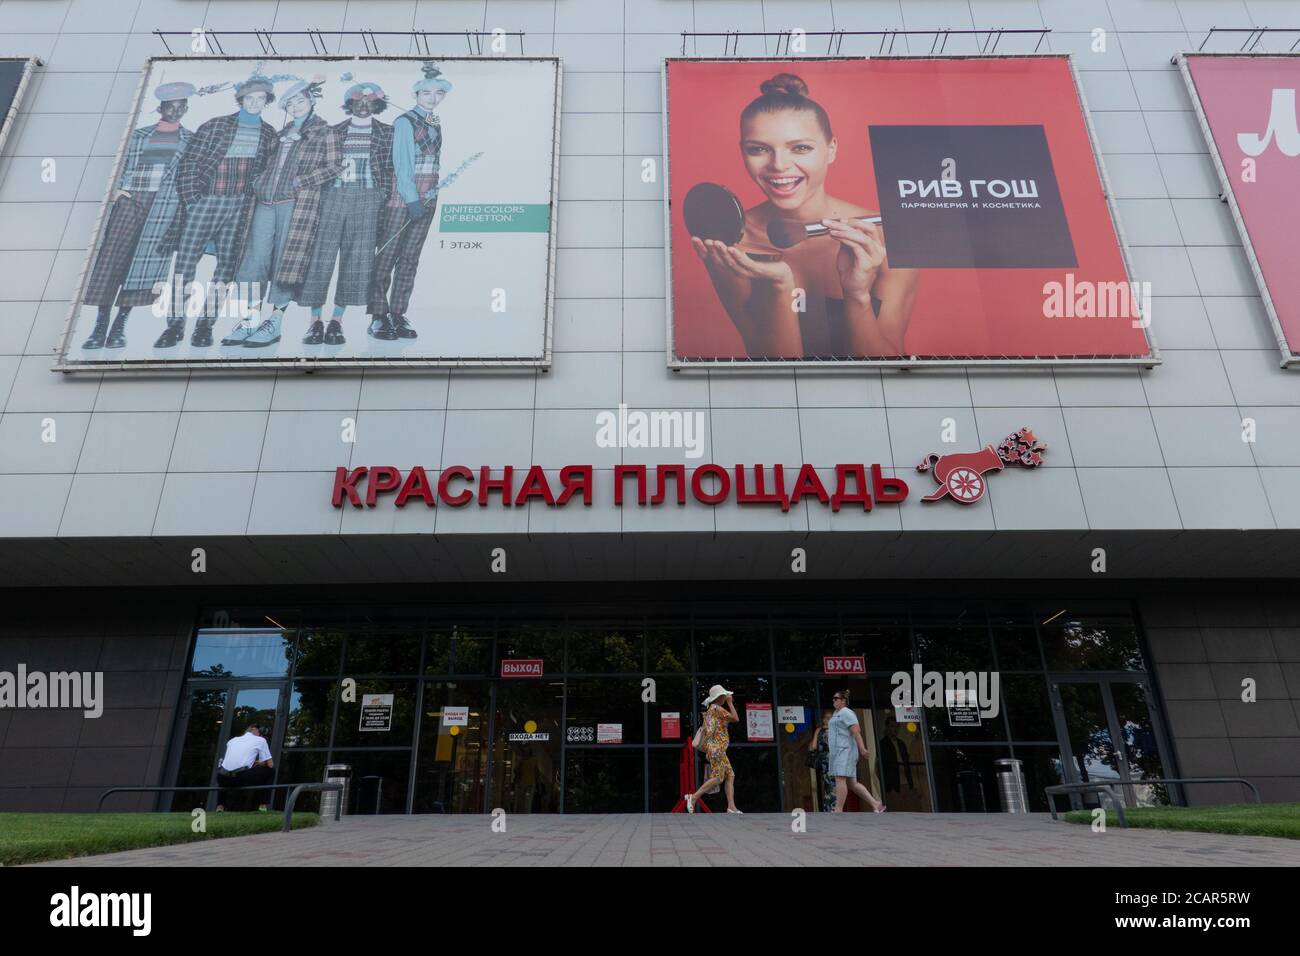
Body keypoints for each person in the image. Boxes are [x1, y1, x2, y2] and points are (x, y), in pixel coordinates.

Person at [692, 73, 918, 359]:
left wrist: (857, 295)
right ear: (743, 152)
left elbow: (887, 365)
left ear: (831, 149)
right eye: (758, 149)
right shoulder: (731, 242)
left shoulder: (891, 237)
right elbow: (771, 366)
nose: (780, 165)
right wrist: (780, 284)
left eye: (801, 148)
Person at [156, 73, 277, 348]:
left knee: (226, 269)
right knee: (185, 265)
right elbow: (189, 164)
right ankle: (174, 326)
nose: (255, 102)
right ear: (241, 99)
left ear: (266, 101)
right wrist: (192, 200)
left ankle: (205, 325)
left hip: (240, 206)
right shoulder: (215, 125)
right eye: (250, 98)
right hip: (206, 201)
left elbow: (266, 173)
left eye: (261, 98)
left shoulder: (269, 133)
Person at [223, 76, 343, 348]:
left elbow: (335, 166)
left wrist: (300, 182)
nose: (296, 106)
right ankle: (250, 318)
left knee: (284, 261)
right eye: (291, 102)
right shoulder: (281, 133)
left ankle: (275, 320)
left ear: (311, 101)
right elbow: (266, 164)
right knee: (254, 259)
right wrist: (258, 183)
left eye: (300, 100)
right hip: (265, 202)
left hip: (296, 204)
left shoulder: (326, 131)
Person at [80, 82, 195, 350]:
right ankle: (100, 324)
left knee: (143, 266)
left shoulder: (190, 141)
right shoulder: (139, 135)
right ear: (161, 107)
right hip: (131, 200)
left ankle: (120, 325)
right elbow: (121, 163)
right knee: (112, 260)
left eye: (180, 106)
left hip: (164, 205)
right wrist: (118, 190)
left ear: (186, 108)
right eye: (170, 106)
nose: (175, 110)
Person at [299, 81, 395, 345]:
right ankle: (314, 322)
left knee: (357, 261)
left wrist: (382, 195)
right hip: (333, 197)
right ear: (349, 104)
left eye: (369, 101)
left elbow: (390, 168)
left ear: (377, 104)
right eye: (357, 101)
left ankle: (336, 322)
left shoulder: (388, 132)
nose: (363, 105)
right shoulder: (333, 131)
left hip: (368, 199)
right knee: (321, 257)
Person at [368, 62, 449, 341]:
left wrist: (427, 198)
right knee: (387, 256)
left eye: (439, 93)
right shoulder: (404, 122)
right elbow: (402, 164)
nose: (433, 98)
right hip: (402, 200)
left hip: (428, 198)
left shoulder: (434, 122)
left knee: (410, 259)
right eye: (427, 93)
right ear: (416, 94)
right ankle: (379, 316)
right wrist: (412, 198)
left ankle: (398, 313)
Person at [685, 684, 742, 814]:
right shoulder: (717, 709)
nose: (726, 697)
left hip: (716, 748)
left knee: (730, 775)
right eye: (724, 696)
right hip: (717, 749)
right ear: (720, 697)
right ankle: (693, 798)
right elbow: (735, 718)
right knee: (718, 778)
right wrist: (730, 703)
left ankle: (731, 807)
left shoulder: (711, 710)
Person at [827, 689, 884, 813]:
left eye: (836, 698)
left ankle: (838, 809)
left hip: (845, 751)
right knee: (852, 783)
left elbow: (856, 731)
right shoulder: (837, 713)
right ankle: (876, 804)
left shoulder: (847, 713)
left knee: (840, 778)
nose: (834, 700)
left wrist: (862, 749)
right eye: (833, 698)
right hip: (838, 751)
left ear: (843, 701)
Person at [216, 723, 274, 812]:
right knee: (270, 771)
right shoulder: (260, 740)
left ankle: (220, 806)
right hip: (241, 777)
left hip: (223, 778)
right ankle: (263, 804)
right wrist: (258, 763)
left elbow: (232, 761)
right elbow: (270, 764)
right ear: (257, 732)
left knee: (224, 771)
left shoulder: (232, 740)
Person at [879, 714, 915, 797]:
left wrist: (911, 784)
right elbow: (882, 767)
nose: (895, 729)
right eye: (892, 726)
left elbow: (907, 763)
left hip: (906, 783)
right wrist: (888, 786)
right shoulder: (883, 744)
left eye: (896, 726)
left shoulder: (901, 743)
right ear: (887, 727)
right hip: (893, 786)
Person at [808, 709, 836, 812]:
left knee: (829, 784)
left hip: (826, 761)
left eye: (830, 718)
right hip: (830, 760)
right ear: (823, 719)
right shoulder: (832, 730)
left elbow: (814, 746)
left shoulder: (819, 730)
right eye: (827, 718)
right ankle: (831, 808)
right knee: (832, 784)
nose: (828, 720)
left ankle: (829, 807)